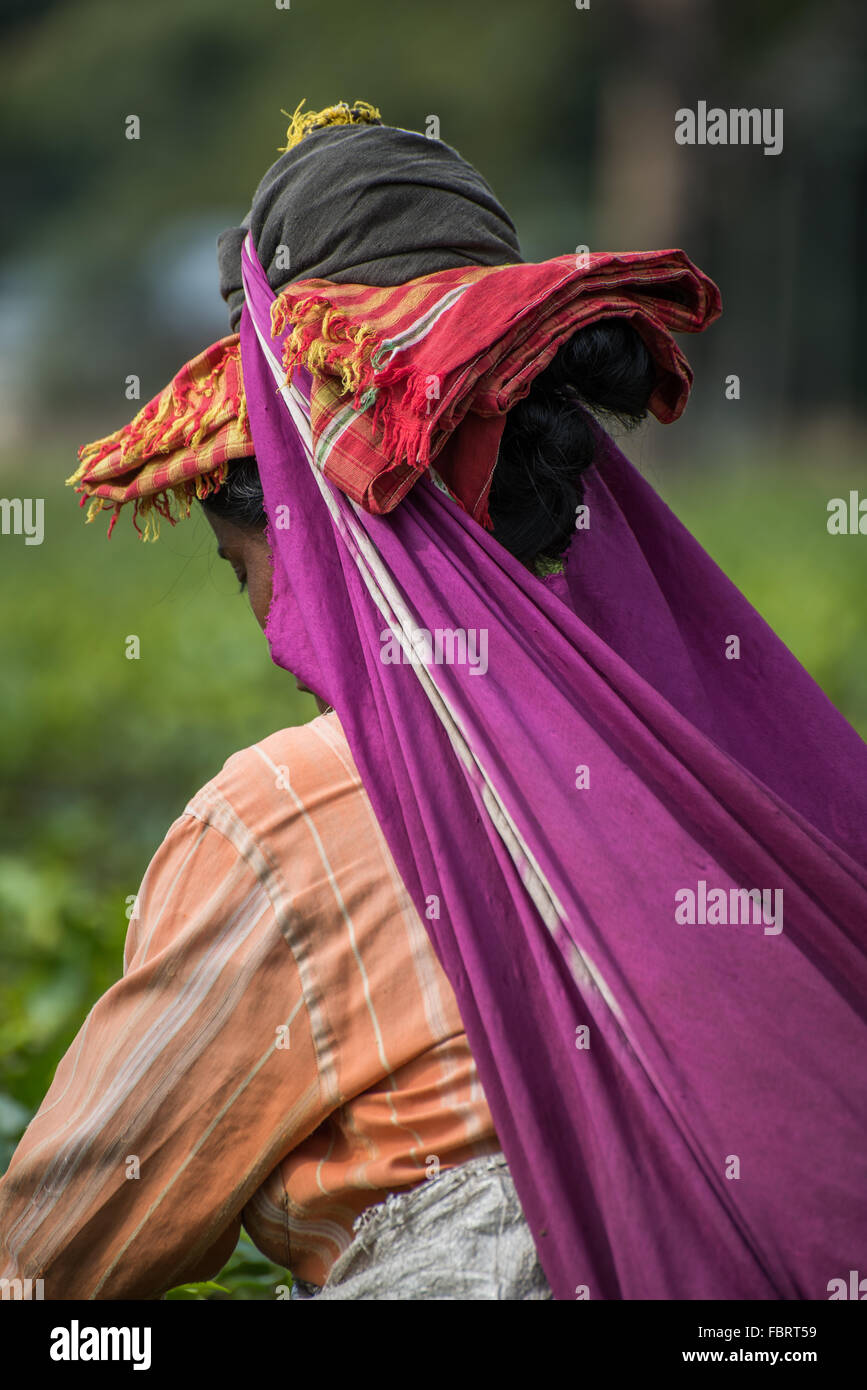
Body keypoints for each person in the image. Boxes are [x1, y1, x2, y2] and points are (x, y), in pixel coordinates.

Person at [2, 100, 866, 1303]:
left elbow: (48, 1268)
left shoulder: (282, 823)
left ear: (313, 526)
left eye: (249, 570)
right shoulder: (739, 763)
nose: (269, 633)